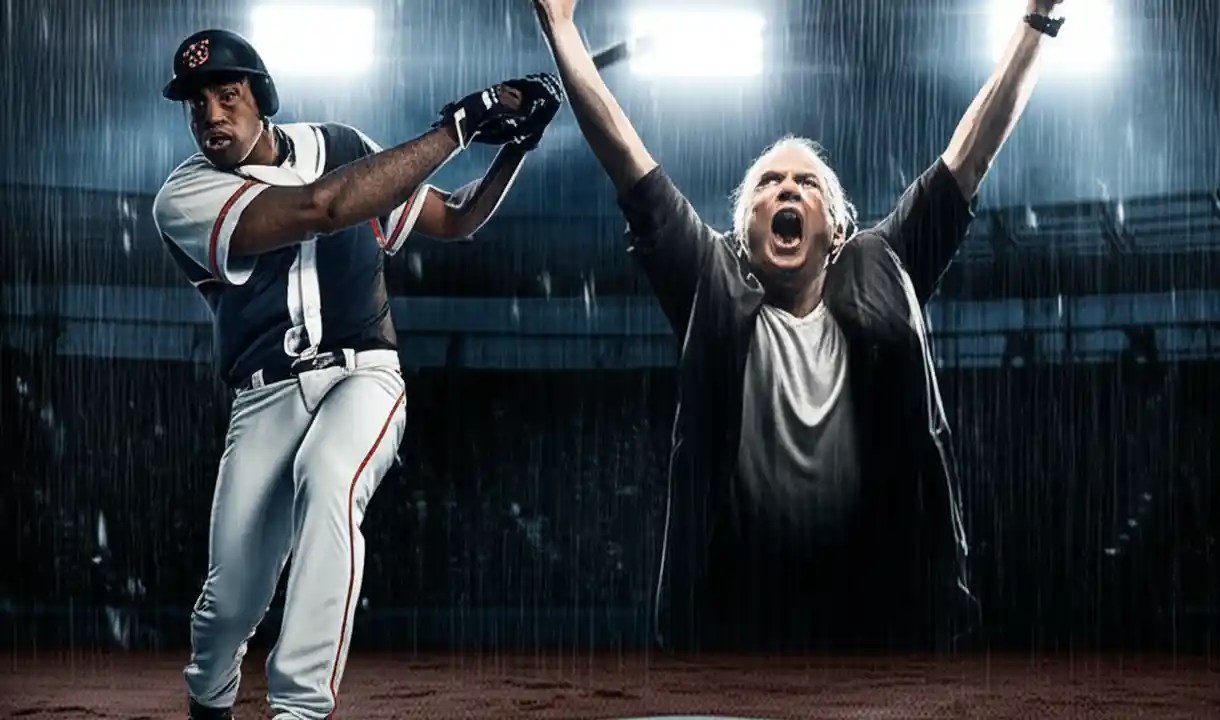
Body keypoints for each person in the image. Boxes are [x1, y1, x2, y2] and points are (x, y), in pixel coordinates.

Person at [529, 0, 1068, 651]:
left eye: (805, 182)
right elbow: (628, 160)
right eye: (767, 183)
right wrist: (562, 32)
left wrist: (1039, 18)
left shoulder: (884, 263)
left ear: (837, 229)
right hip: (738, 612)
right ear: (741, 228)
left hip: (878, 605)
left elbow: (972, 151)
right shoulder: (709, 278)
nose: (786, 191)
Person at [151, 29, 562, 719]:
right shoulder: (183, 196)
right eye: (197, 106)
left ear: (262, 100)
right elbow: (324, 208)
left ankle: (299, 709)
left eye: (228, 96)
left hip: (361, 376)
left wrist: (513, 148)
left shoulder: (343, 144)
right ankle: (210, 702)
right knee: (226, 611)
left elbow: (455, 218)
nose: (213, 116)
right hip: (264, 397)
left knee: (329, 478)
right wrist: (460, 125)